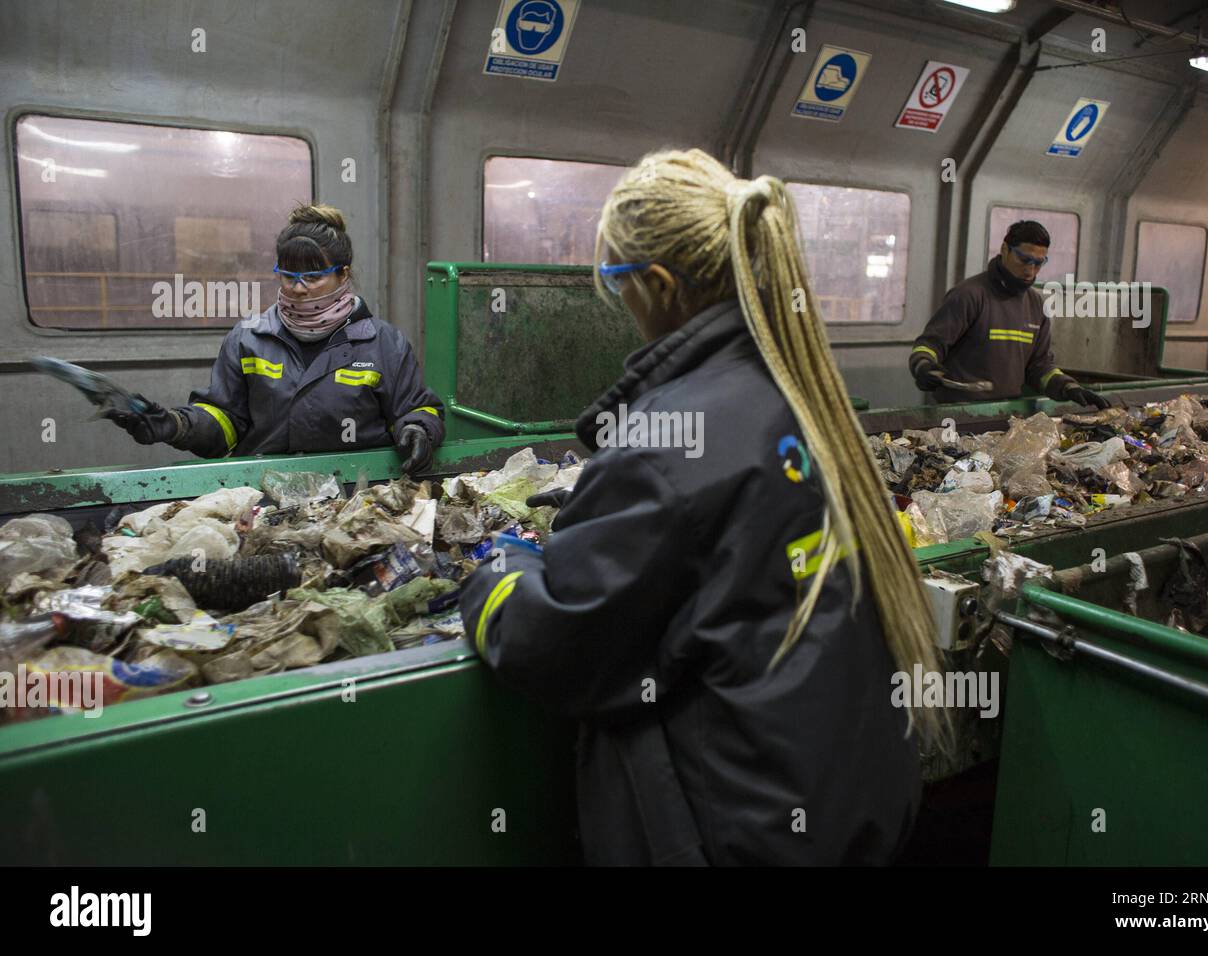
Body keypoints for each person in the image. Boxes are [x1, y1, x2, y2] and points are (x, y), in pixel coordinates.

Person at [459, 149, 948, 866]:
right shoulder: (801, 387)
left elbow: (561, 645)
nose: (621, 306)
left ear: (658, 285)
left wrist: (499, 571)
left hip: (742, 832)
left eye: (617, 286)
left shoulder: (663, 449)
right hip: (850, 803)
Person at [107, 204, 445, 473]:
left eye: (313, 277)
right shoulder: (249, 339)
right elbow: (226, 421)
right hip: (266, 497)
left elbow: (417, 409)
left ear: (344, 274)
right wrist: (176, 425)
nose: (299, 288)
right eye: (289, 276)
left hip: (354, 498)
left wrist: (418, 430)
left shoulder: (383, 343)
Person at [909, 220, 1111, 409]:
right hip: (959, 414)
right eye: (1024, 259)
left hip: (1006, 413)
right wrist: (924, 366)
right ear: (1005, 250)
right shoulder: (970, 295)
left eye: (1039, 263)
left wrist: (1067, 387)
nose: (1030, 270)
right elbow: (929, 344)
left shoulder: (1035, 305)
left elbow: (1039, 366)